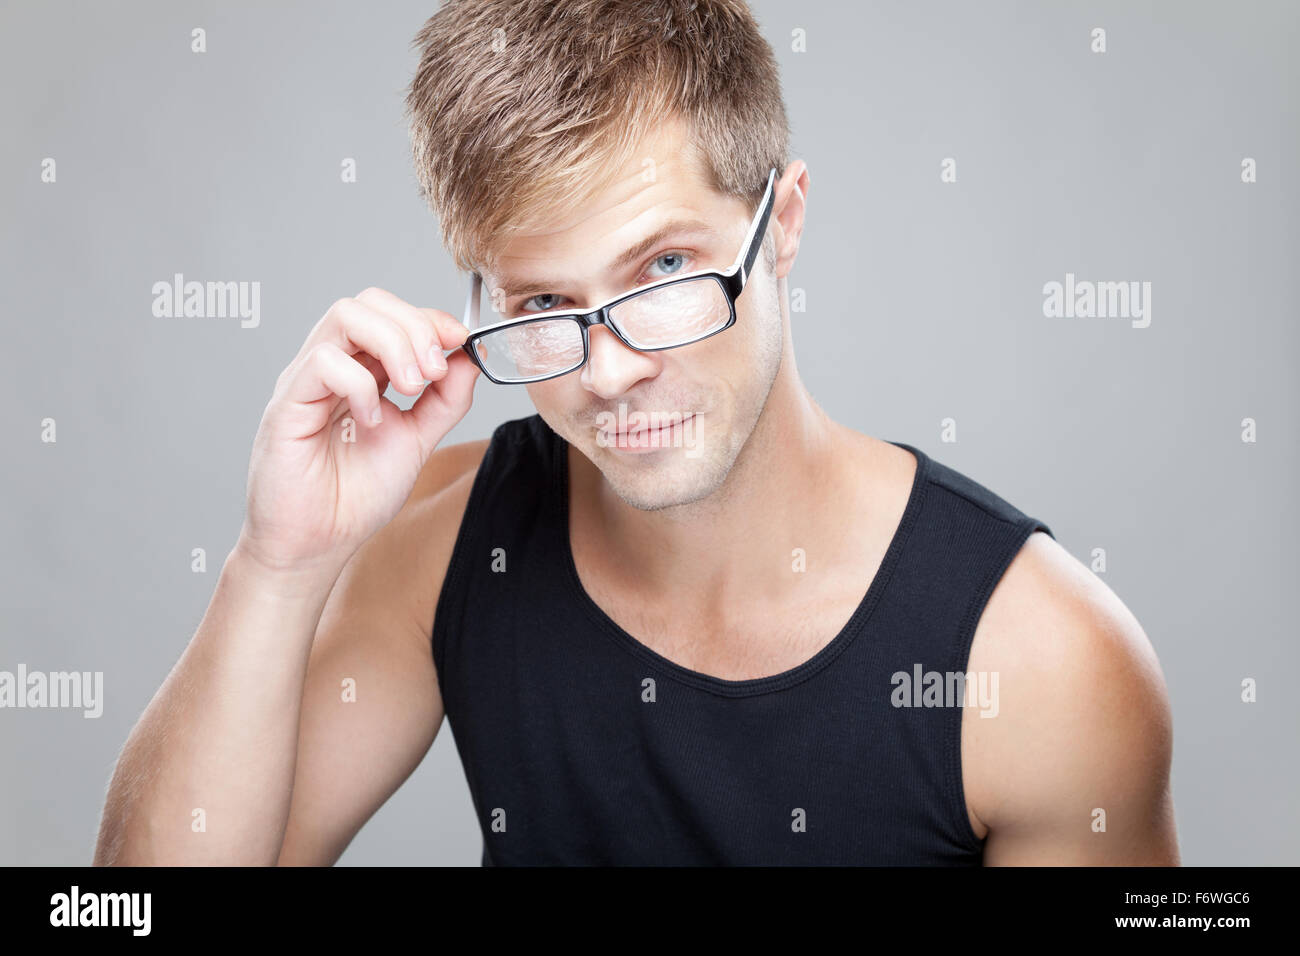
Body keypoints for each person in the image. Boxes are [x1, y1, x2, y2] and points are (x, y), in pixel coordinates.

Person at [94, 0, 1179, 866]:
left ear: (782, 221)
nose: (607, 370)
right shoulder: (449, 541)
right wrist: (277, 563)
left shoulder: (1040, 659)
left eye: (663, 269)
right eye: (539, 305)